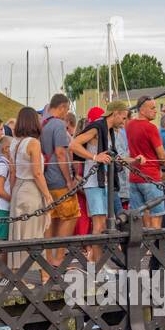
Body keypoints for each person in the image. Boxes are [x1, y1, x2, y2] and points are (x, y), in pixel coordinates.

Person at [69, 101, 127, 270]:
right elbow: (74, 145)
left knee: (103, 225)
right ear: (114, 113)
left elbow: (111, 156)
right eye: (122, 118)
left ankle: (96, 263)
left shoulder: (110, 131)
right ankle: (95, 265)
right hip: (95, 182)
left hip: (106, 182)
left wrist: (134, 160)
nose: (124, 121)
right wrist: (94, 157)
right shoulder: (96, 127)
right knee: (99, 224)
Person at [8, 107, 51, 281]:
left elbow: (12, 171)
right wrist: (47, 195)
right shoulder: (33, 143)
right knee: (36, 232)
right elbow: (37, 173)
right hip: (31, 189)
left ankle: (20, 275)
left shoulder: (13, 143)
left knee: (19, 233)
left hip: (18, 188)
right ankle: (44, 274)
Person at [40, 93, 81, 264]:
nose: (67, 113)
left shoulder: (44, 124)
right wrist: (69, 180)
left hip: (47, 178)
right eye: (67, 109)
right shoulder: (58, 125)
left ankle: (49, 258)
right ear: (62, 107)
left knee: (54, 218)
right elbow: (61, 153)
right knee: (72, 214)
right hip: (59, 178)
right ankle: (59, 256)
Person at [124, 96, 165, 230]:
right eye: (152, 108)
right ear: (142, 110)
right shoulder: (151, 128)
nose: (156, 111)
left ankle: (144, 248)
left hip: (134, 177)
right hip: (150, 177)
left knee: (140, 216)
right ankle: (154, 249)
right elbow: (161, 155)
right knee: (156, 216)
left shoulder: (129, 125)